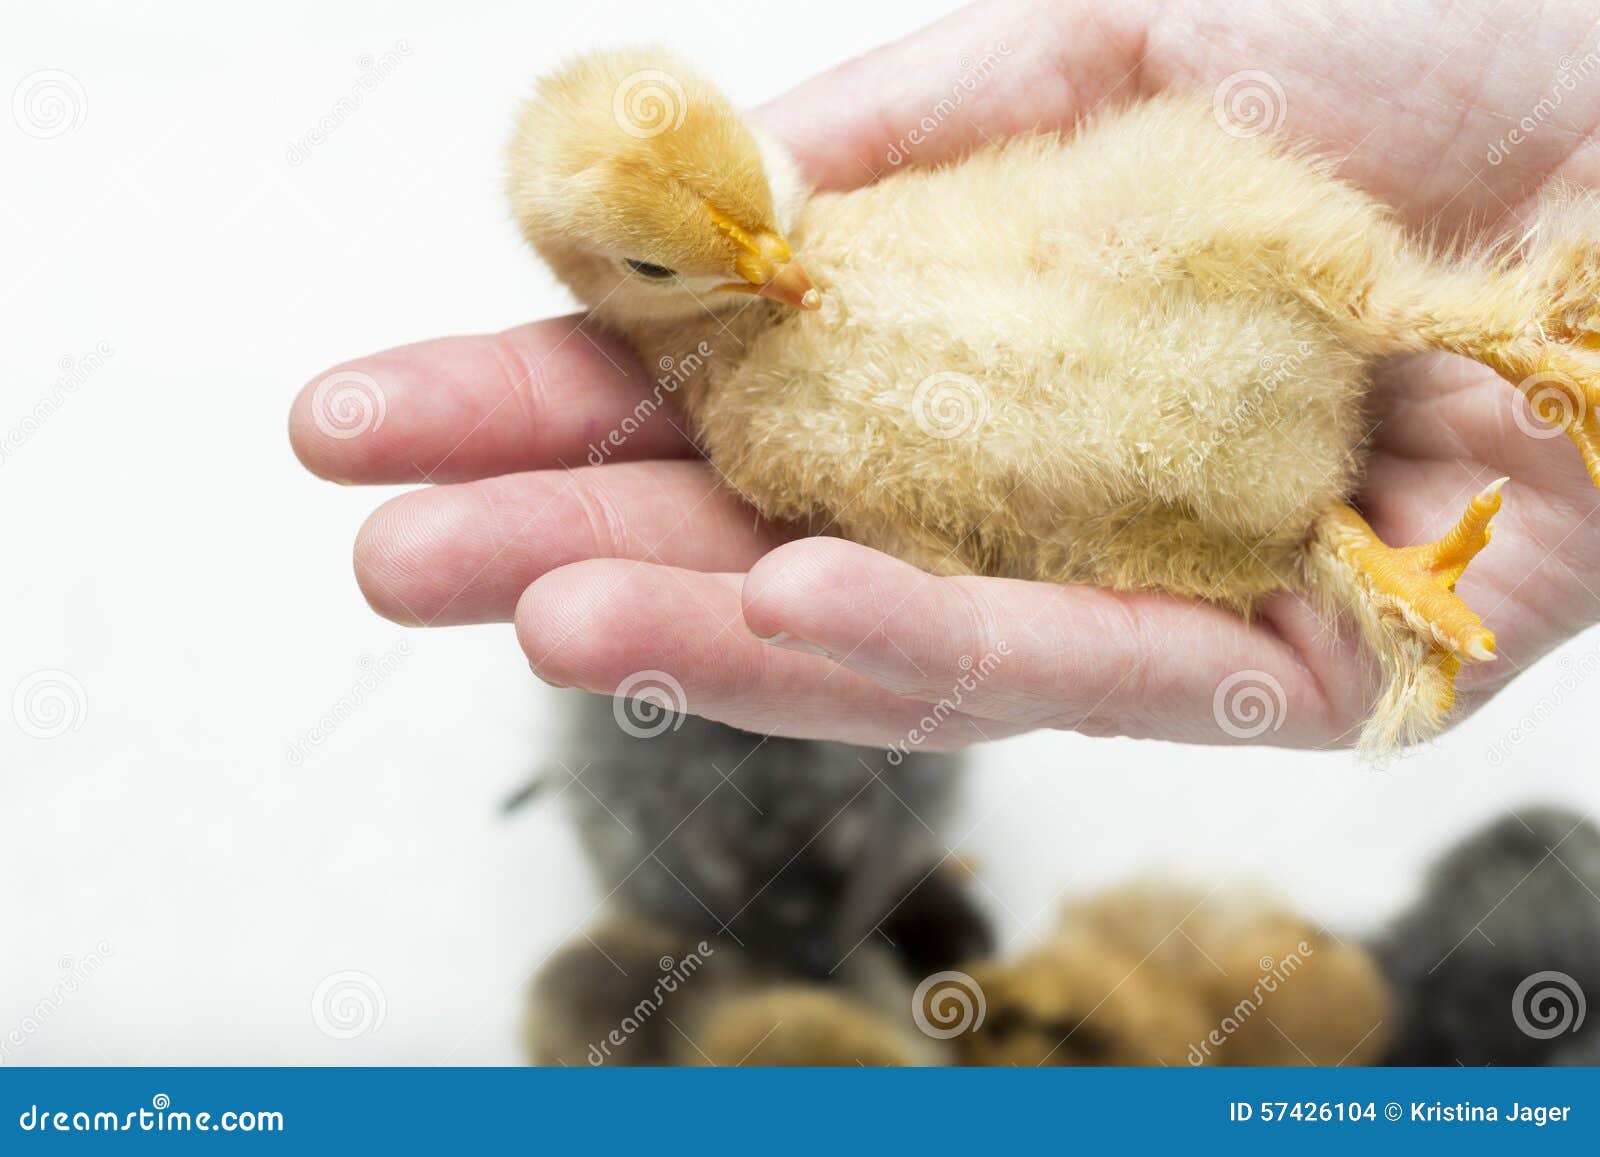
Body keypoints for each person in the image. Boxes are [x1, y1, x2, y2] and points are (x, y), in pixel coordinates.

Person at [288, 0, 1600, 751]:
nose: (777, 267)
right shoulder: (753, 423)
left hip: (1281, 316)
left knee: (1159, 203)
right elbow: (996, 527)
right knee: (1088, 494)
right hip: (1219, 481)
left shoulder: (861, 217)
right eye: (698, 269)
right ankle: (1359, 558)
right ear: (602, 276)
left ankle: (1486, 321)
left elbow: (1104, 212)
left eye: (762, 207)